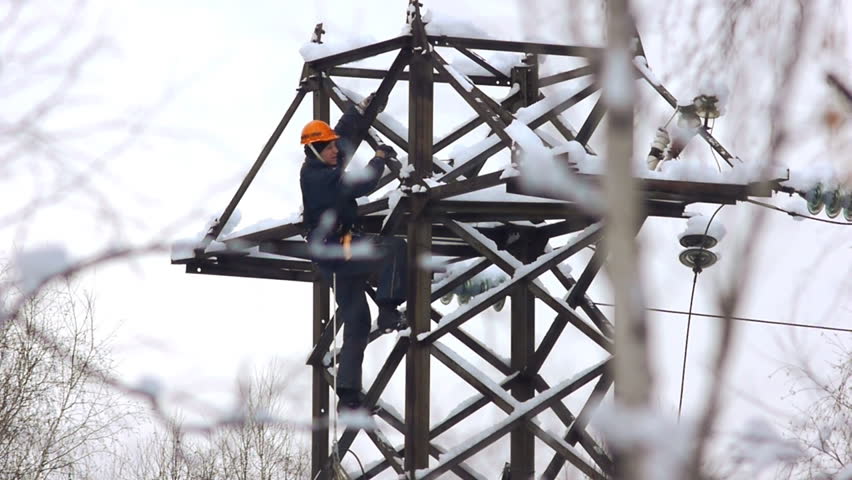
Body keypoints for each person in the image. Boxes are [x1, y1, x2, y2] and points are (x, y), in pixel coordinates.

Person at [299, 98, 407, 413]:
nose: (336, 151)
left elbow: (342, 140)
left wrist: (357, 112)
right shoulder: (321, 178)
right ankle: (388, 309)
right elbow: (363, 184)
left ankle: (348, 396)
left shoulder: (325, 162)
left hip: (334, 256)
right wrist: (379, 157)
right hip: (338, 252)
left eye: (334, 146)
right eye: (329, 147)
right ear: (316, 151)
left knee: (357, 321)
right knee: (395, 249)